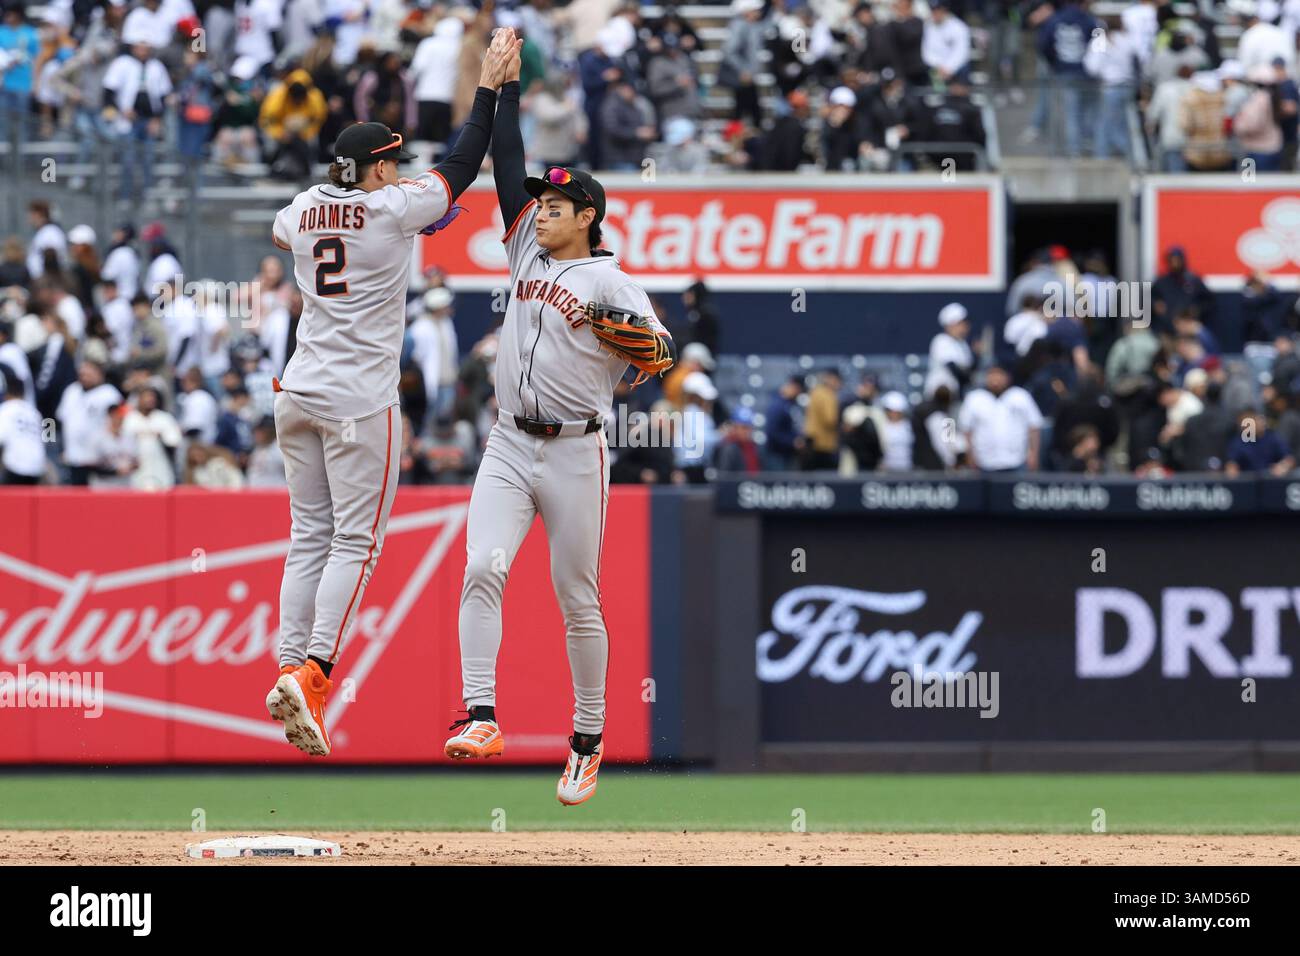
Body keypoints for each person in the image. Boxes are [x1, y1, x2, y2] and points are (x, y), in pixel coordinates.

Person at [262, 32, 520, 758]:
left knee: (307, 536)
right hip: (357, 400)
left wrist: (338, 220)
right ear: (374, 166)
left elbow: (284, 235)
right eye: (390, 160)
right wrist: (492, 92)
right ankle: (314, 673)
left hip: (297, 391)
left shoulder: (306, 204)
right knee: (356, 541)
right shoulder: (391, 207)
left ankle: (287, 664)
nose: (397, 168)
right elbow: (464, 163)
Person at [443, 30, 675, 807]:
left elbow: (661, 356)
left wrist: (646, 359)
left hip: (578, 452)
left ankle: (587, 739)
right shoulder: (525, 253)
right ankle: (479, 714)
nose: (539, 210)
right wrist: (501, 88)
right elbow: (506, 164)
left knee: (578, 597)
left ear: (587, 216)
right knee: (482, 566)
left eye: (555, 205)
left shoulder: (614, 284)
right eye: (540, 203)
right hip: (509, 442)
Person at [958, 364, 1044, 472]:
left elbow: (1034, 426)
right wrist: (969, 456)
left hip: (1017, 461)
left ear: (1007, 376)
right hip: (984, 463)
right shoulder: (975, 398)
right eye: (992, 374)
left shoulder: (1020, 395)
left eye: (999, 374)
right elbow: (966, 430)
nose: (996, 379)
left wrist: (1033, 454)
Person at [0, 368, 44, 484]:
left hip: (14, 468)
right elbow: (49, 438)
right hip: (37, 468)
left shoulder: (6, 408)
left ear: (7, 393)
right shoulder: (35, 413)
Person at [924, 302, 976, 398]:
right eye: (961, 323)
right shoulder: (941, 340)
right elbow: (955, 370)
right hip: (938, 396)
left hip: (954, 395)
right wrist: (970, 378)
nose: (965, 326)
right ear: (950, 325)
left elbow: (969, 369)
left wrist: (977, 355)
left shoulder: (963, 344)